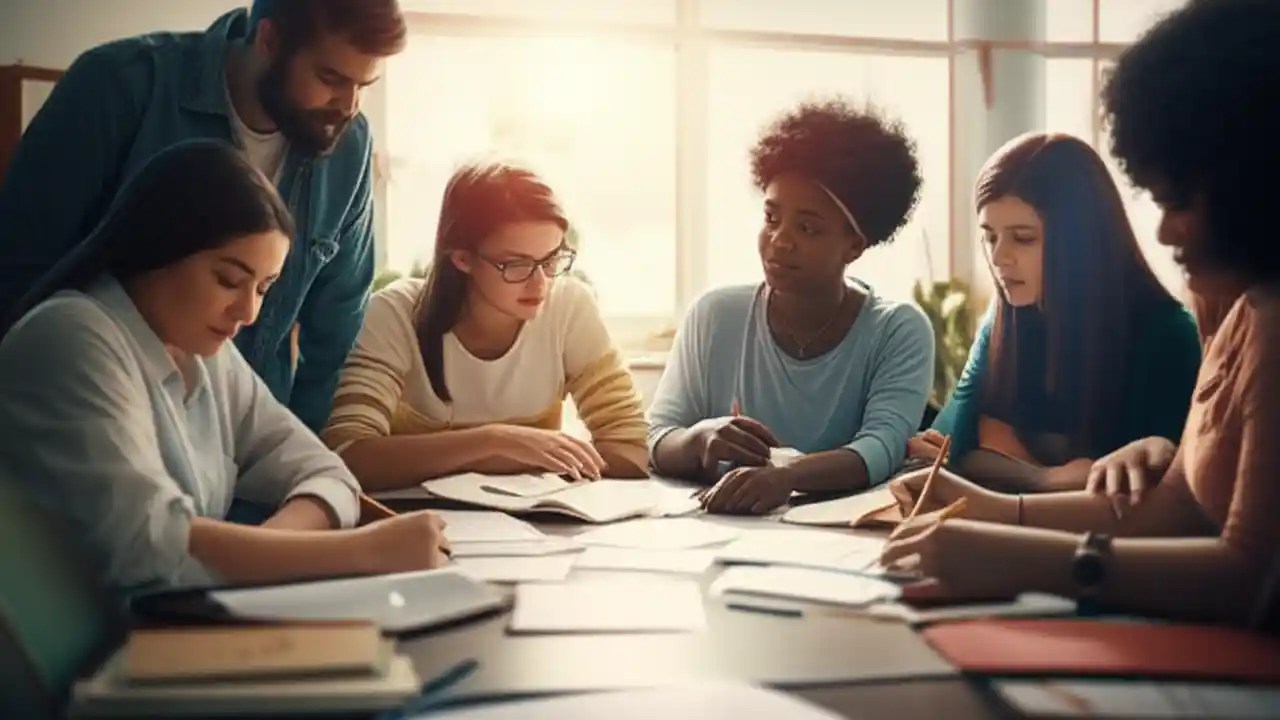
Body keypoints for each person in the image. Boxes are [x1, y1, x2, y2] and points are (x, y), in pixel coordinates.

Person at [881, 0, 1280, 627]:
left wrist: (1015, 554)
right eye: (989, 236)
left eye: (1180, 202)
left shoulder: (1228, 326)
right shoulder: (1236, 312)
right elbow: (1179, 503)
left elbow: (1247, 578)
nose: (1168, 233)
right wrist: (998, 511)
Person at [0, 141, 448, 594]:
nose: (249, 313)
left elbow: (327, 474)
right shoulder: (71, 336)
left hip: (177, 627)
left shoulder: (203, 351)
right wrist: (362, 552)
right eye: (229, 280)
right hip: (82, 656)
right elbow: (147, 547)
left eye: (263, 288)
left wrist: (266, 553)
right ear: (157, 247)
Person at [0, 0, 407, 432]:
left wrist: (295, 463)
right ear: (269, 39)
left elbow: (336, 332)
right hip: (91, 422)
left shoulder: (350, 145)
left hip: (243, 453)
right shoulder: (119, 87)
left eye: (364, 85)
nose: (347, 106)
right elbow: (20, 276)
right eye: (331, 78)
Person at [647, 99, 935, 515]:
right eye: (771, 218)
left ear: (855, 244)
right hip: (715, 534)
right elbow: (656, 436)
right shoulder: (714, 315)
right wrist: (698, 440)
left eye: (807, 228)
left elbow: (882, 448)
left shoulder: (897, 330)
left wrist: (789, 477)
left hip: (842, 546)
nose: (780, 240)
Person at [322, 162, 649, 489]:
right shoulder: (394, 313)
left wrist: (536, 457)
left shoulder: (569, 305)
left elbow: (632, 447)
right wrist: (494, 442)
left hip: (537, 525)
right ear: (462, 258)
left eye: (551, 260)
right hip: (418, 525)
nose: (540, 284)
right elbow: (349, 454)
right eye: (516, 264)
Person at [906, 133, 1201, 492]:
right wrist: (1045, 477)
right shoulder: (1004, 321)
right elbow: (952, 449)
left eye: (1023, 237)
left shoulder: (1168, 335)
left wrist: (1003, 453)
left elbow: (1161, 486)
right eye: (990, 236)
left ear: (1082, 242)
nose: (999, 258)